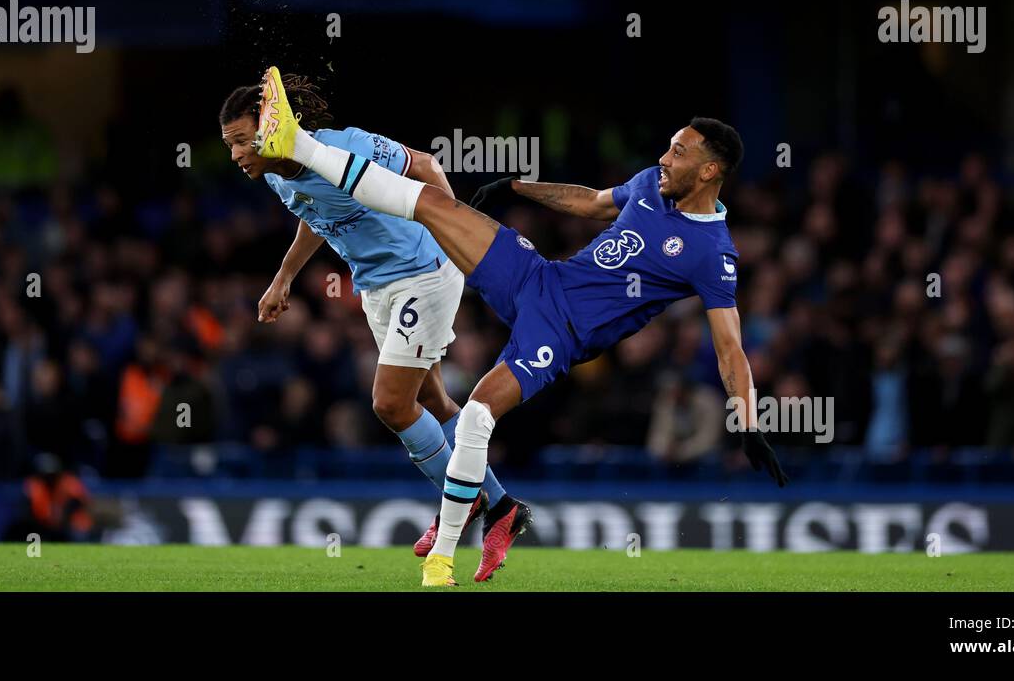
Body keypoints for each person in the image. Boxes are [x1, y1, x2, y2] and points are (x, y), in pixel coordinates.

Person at [252, 66, 788, 586]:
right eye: (669, 146)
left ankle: (442, 559)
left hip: (562, 334)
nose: (664, 158)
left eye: (679, 151)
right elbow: (593, 202)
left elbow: (730, 350)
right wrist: (516, 185)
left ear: (711, 170)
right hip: (539, 280)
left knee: (476, 416)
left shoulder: (713, 255)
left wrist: (747, 420)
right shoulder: (651, 184)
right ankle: (298, 145)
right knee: (433, 204)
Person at [219, 74, 524, 557]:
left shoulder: (344, 145)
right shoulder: (279, 174)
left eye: (240, 140)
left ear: (271, 124)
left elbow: (423, 164)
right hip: (378, 287)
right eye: (229, 145)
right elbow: (315, 214)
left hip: (424, 272)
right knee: (433, 400)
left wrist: (457, 230)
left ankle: (462, 502)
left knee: (389, 403)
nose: (235, 155)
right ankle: (502, 505)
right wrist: (284, 277)